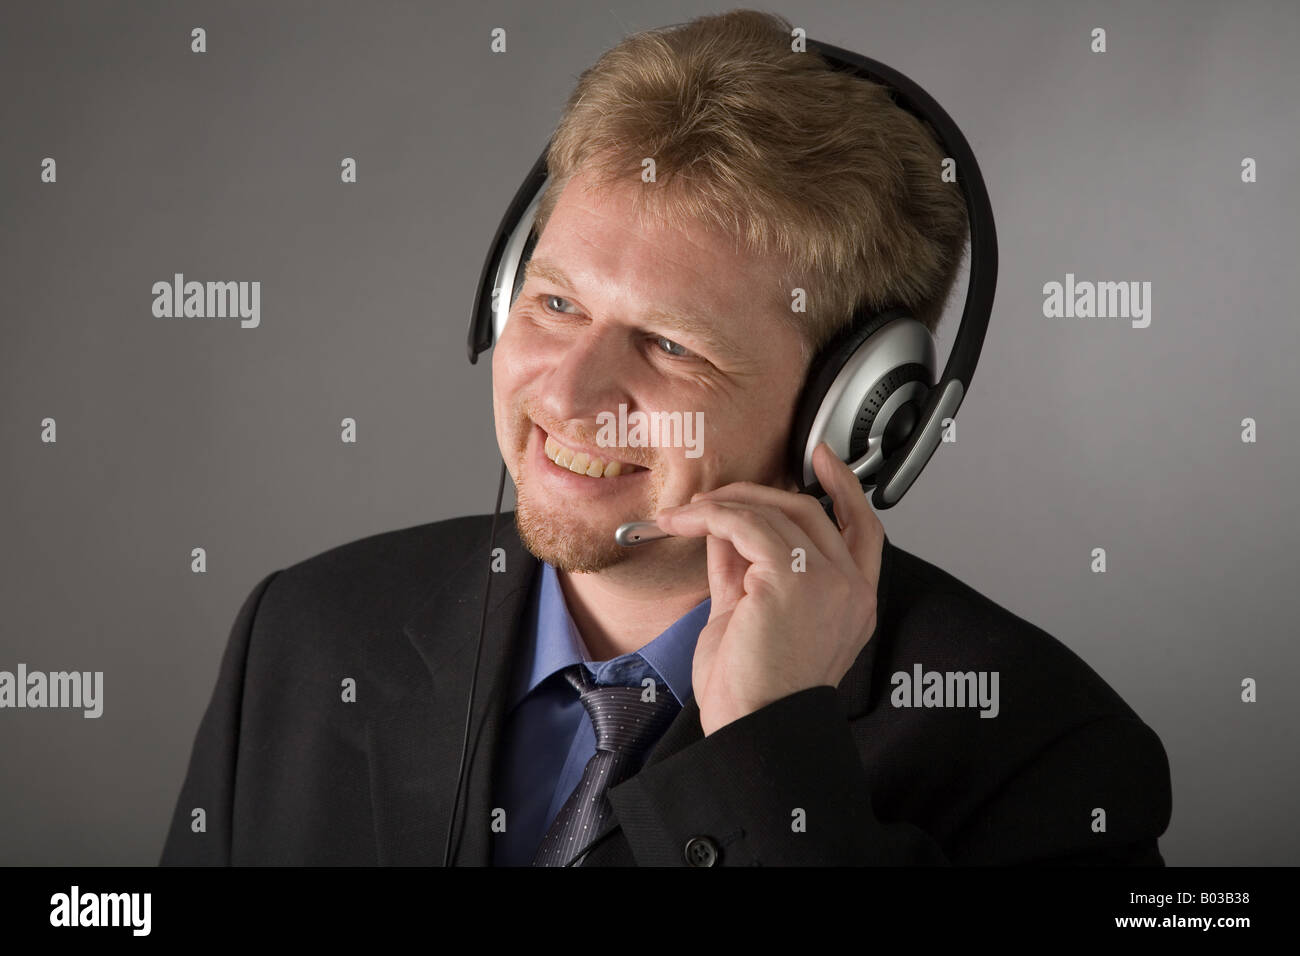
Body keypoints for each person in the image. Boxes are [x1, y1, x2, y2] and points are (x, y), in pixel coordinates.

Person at [160, 9, 1171, 867]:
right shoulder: (304, 631)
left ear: (860, 411)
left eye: (672, 345)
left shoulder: (1045, 750)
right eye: (554, 301)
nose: (568, 389)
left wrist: (769, 753)